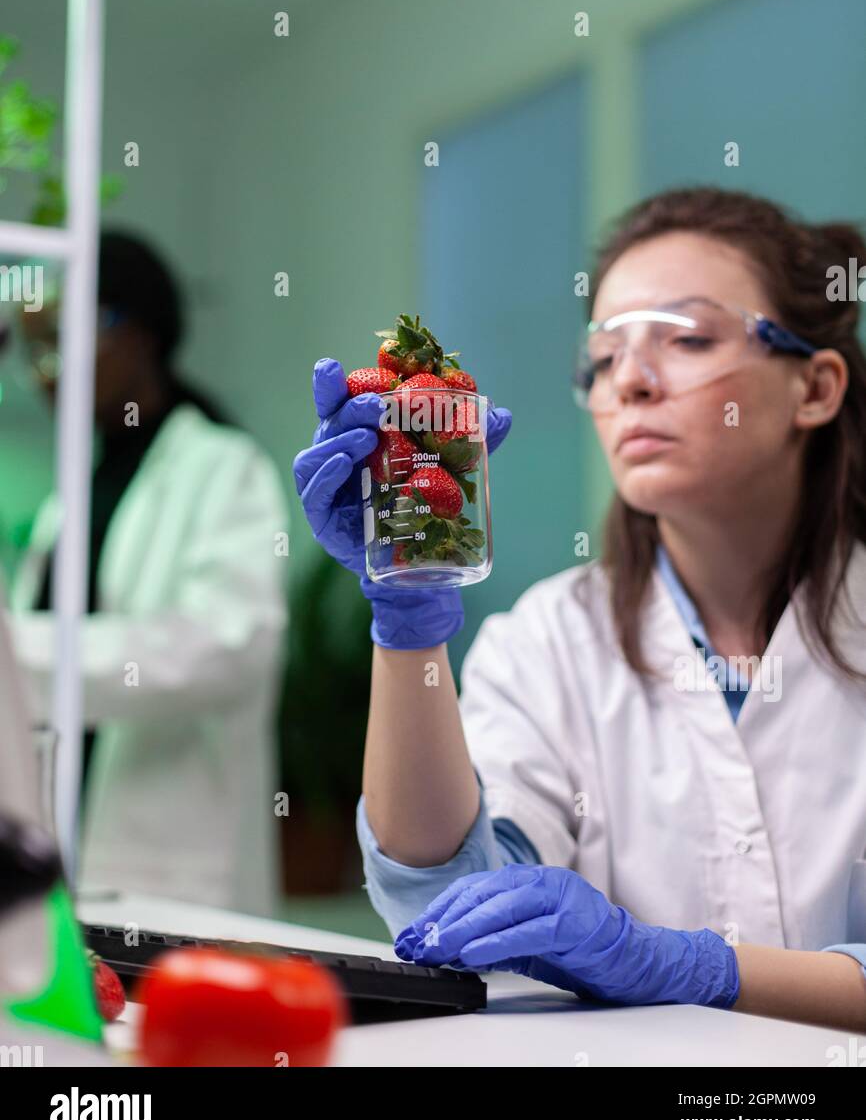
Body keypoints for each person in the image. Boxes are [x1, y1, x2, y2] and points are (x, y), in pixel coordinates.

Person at [293, 187, 866, 1032]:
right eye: (604, 356)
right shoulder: (548, 639)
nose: (630, 380)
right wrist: (407, 618)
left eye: (688, 338)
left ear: (815, 388)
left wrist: (693, 967)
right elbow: (454, 898)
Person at [9, 228, 288, 913]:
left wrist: (18, 648)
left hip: (171, 872)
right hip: (56, 861)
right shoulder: (71, 494)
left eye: (66, 336)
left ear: (140, 332)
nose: (49, 369)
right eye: (34, 349)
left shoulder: (223, 469)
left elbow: (226, 646)